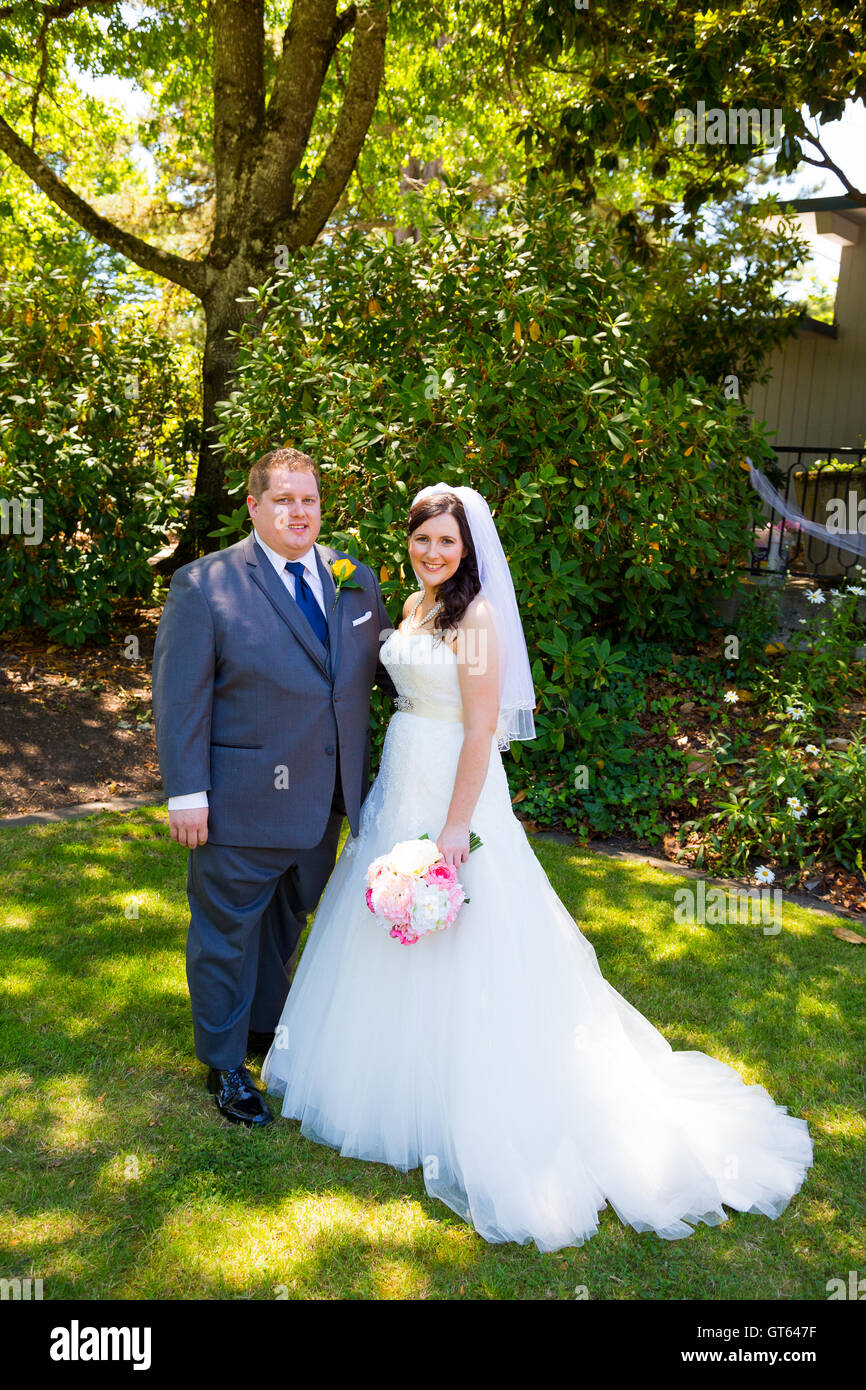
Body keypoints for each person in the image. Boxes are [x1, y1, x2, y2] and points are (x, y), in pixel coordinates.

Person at [261, 482, 814, 1251]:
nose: (432, 553)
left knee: (467, 931)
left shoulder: (477, 616)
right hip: (405, 770)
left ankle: (475, 1096)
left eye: (446, 543)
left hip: (456, 785)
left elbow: (483, 726)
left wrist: (455, 827)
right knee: (388, 921)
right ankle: (394, 1085)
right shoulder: (418, 606)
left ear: (469, 549)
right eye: (422, 540)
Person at [152, 447, 394, 1127]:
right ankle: (225, 1065)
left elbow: (378, 673)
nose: (299, 511)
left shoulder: (354, 579)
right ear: (254, 506)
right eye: (283, 499)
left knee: (287, 919)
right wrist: (186, 794)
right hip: (241, 800)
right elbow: (181, 698)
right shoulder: (205, 585)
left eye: (309, 499)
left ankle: (263, 1026)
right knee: (227, 931)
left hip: (326, 799)